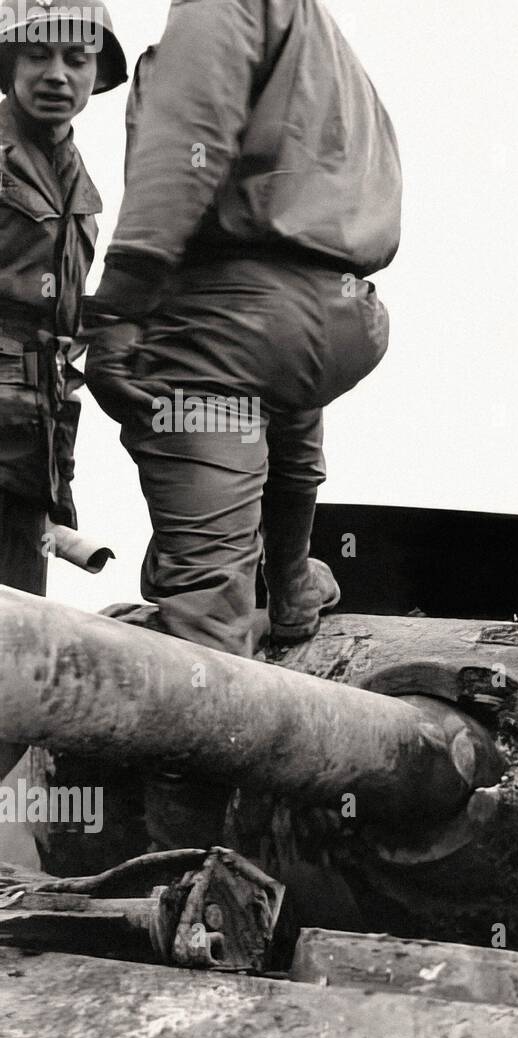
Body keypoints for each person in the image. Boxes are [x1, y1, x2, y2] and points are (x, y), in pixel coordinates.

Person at [83, 0, 402, 658]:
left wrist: (117, 310)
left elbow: (184, 149)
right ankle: (290, 581)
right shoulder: (320, 40)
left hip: (235, 318)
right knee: (274, 380)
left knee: (203, 597)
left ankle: (206, 634)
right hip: (341, 312)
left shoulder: (218, 7)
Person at [0, 0, 126, 783]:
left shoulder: (78, 175)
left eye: (76, 60)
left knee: (21, 667)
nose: (57, 74)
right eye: (38, 56)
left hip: (34, 448)